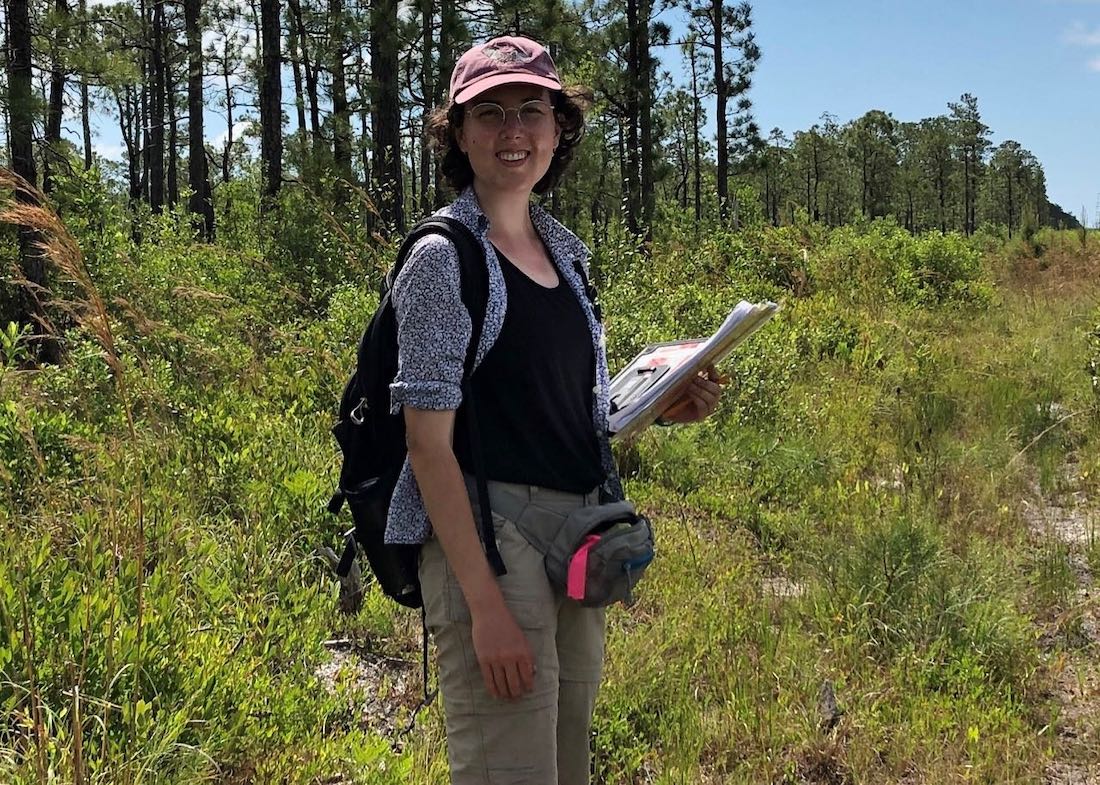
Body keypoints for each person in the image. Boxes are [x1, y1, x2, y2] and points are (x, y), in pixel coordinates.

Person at [384, 35, 723, 785]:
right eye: (491, 112)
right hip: (491, 545)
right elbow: (428, 445)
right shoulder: (445, 258)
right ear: (459, 133)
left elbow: (563, 411)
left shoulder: (565, 257)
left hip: (575, 539)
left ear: (558, 127)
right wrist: (484, 608)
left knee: (568, 766)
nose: (513, 131)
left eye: (531, 110)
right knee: (511, 770)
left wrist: (665, 406)